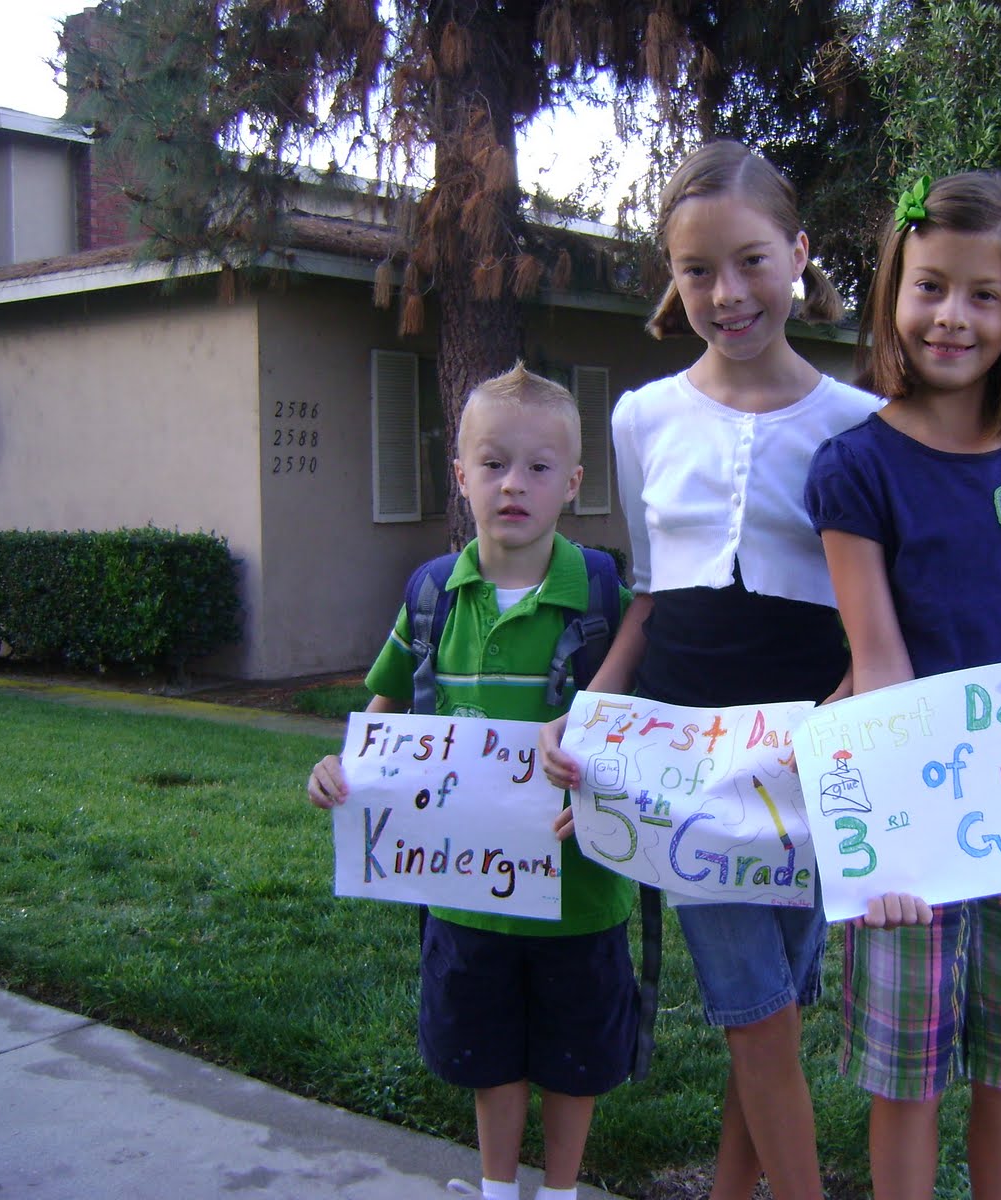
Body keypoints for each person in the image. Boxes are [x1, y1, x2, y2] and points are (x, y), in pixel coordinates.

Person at [538, 140, 881, 1200]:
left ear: (798, 256)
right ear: (671, 278)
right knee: (752, 1007)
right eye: (695, 271)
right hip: (687, 759)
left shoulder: (860, 426)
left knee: (773, 999)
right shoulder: (642, 417)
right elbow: (648, 594)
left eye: (749, 261)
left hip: (811, 746)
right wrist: (587, 715)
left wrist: (830, 729)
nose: (725, 293)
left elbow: (876, 611)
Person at [802, 170, 1001, 1200]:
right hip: (910, 816)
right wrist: (892, 842)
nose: (952, 316)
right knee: (907, 1072)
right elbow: (879, 656)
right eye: (929, 287)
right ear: (894, 291)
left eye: (983, 294)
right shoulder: (855, 467)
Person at [306, 363, 637, 1200]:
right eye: (492, 464)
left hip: (581, 892)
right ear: (460, 477)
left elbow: (639, 734)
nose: (513, 485)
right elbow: (383, 723)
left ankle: (558, 1191)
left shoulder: (603, 597)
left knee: (574, 1056)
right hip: (463, 892)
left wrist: (598, 788)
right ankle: (496, 1188)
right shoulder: (431, 600)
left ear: (574, 483)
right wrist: (338, 771)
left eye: (537, 467)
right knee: (487, 1052)